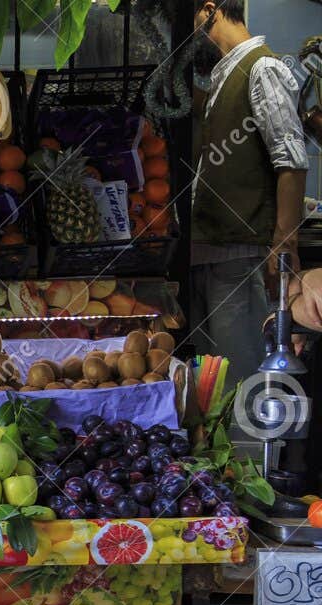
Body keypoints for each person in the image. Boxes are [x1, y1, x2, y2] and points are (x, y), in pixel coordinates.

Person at [188, 0, 309, 382]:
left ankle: (252, 445)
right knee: (216, 386)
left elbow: (291, 159)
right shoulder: (226, 74)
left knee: (244, 382)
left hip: (239, 256)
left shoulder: (262, 67)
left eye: (191, 21)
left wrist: (283, 244)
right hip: (212, 251)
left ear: (210, 10)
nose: (190, 36)